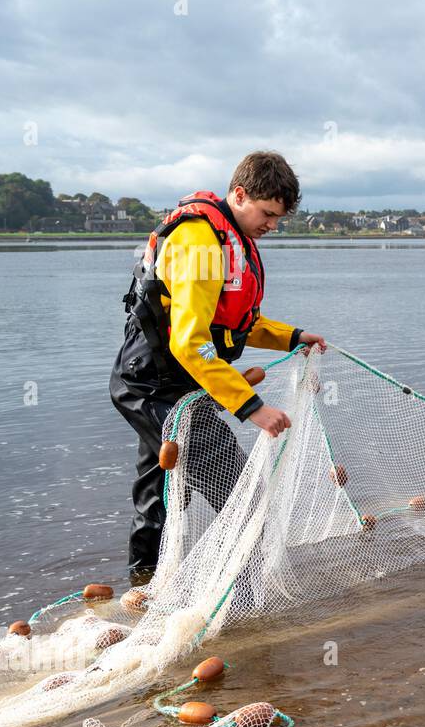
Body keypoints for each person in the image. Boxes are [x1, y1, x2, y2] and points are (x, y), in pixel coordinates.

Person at [110, 151, 327, 585]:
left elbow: (237, 323)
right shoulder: (200, 243)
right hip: (152, 383)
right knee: (236, 490)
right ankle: (243, 593)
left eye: (278, 218)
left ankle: (142, 588)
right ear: (240, 194)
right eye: (267, 214)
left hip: (177, 381)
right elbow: (191, 341)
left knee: (160, 494)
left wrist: (291, 336)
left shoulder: (231, 240)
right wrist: (252, 408)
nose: (272, 225)